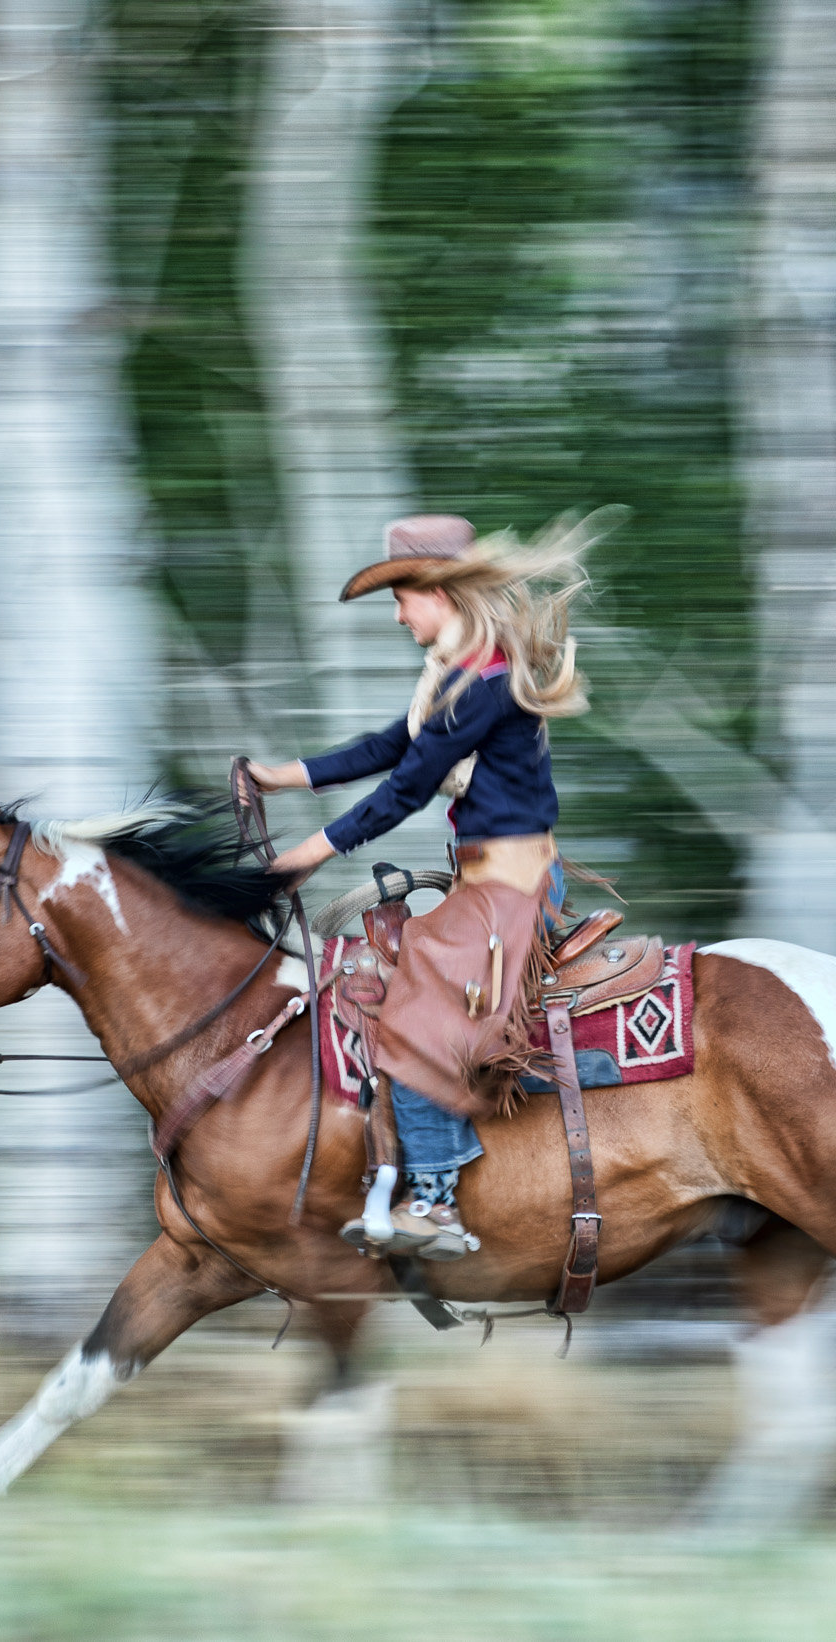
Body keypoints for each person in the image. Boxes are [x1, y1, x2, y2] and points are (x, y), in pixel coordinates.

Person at [249, 512, 599, 1261]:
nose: (400, 613)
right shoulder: (460, 677)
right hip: (489, 875)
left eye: (402, 597)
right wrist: (283, 777)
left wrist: (307, 854)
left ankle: (435, 1199)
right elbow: (391, 748)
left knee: (418, 1003)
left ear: (438, 592)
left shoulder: (485, 686)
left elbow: (405, 789)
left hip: (511, 885)